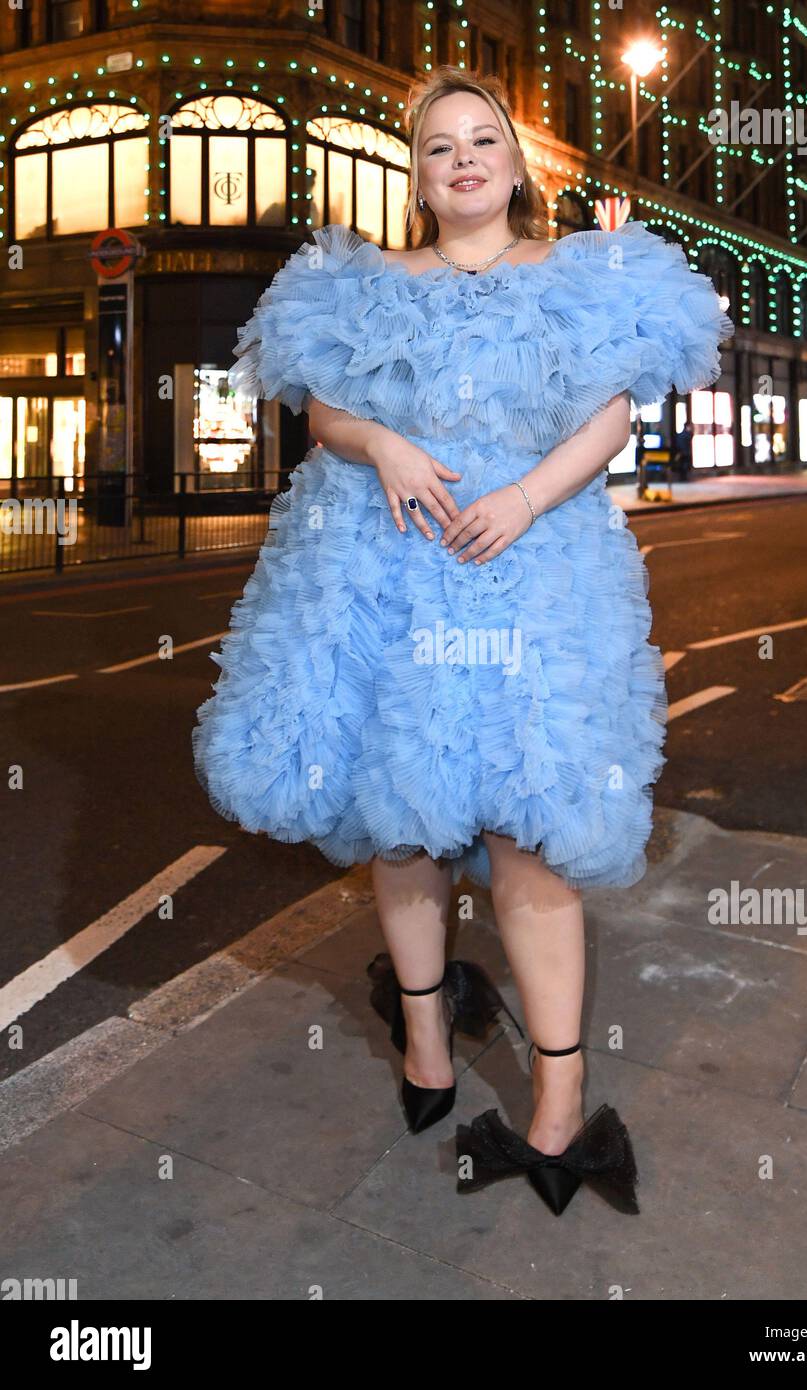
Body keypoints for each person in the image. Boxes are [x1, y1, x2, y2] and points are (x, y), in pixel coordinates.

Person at [192, 66, 732, 1217]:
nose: (464, 160)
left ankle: (556, 1100)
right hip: (389, 571)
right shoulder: (366, 282)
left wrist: (528, 499)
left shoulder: (580, 271)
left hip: (530, 575)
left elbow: (606, 416)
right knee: (404, 828)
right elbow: (323, 410)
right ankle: (427, 1044)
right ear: (419, 174)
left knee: (531, 835)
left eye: (482, 140)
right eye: (439, 147)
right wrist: (379, 444)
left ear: (514, 163)